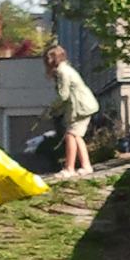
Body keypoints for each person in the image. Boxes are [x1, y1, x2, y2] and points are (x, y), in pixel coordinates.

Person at [43, 44, 99, 177]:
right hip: (84, 105)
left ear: (52, 60)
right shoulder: (66, 69)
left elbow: (63, 95)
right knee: (76, 135)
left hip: (81, 106)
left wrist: (51, 108)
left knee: (70, 135)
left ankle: (69, 168)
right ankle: (86, 166)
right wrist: (54, 111)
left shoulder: (62, 72)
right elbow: (66, 97)